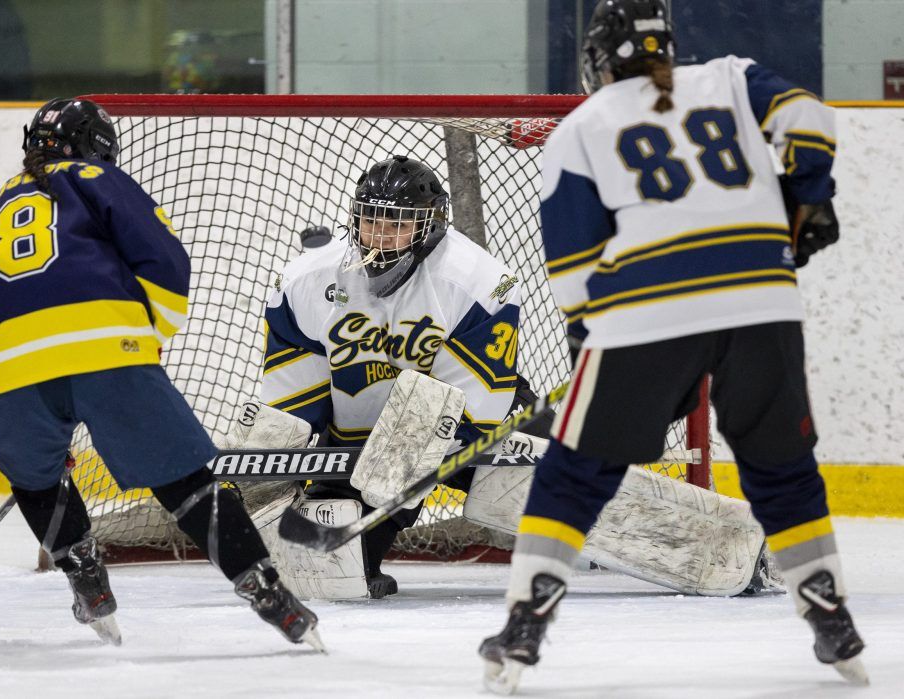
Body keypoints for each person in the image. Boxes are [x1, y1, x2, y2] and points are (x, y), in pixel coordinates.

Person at [478, 1, 863, 693]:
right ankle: (830, 615)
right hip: (761, 297)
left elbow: (573, 272)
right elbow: (812, 119)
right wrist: (814, 198)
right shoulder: (730, 75)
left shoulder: (582, 127)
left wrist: (591, 345)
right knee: (782, 469)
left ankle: (525, 621)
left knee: (575, 473)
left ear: (599, 58)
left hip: (645, 313)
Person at [0, 98, 321, 650]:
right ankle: (269, 592)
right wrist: (146, 336)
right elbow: (163, 259)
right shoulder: (93, 177)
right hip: (102, 350)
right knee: (186, 482)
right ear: (97, 146)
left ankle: (88, 584)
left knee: (38, 481)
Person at [259, 155, 523, 597]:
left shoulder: (475, 281)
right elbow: (295, 397)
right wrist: (289, 461)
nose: (380, 236)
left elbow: (478, 404)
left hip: (463, 428)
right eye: (370, 221)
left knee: (555, 486)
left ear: (431, 225)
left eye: (398, 224)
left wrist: (404, 457)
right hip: (354, 438)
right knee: (332, 568)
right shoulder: (309, 280)